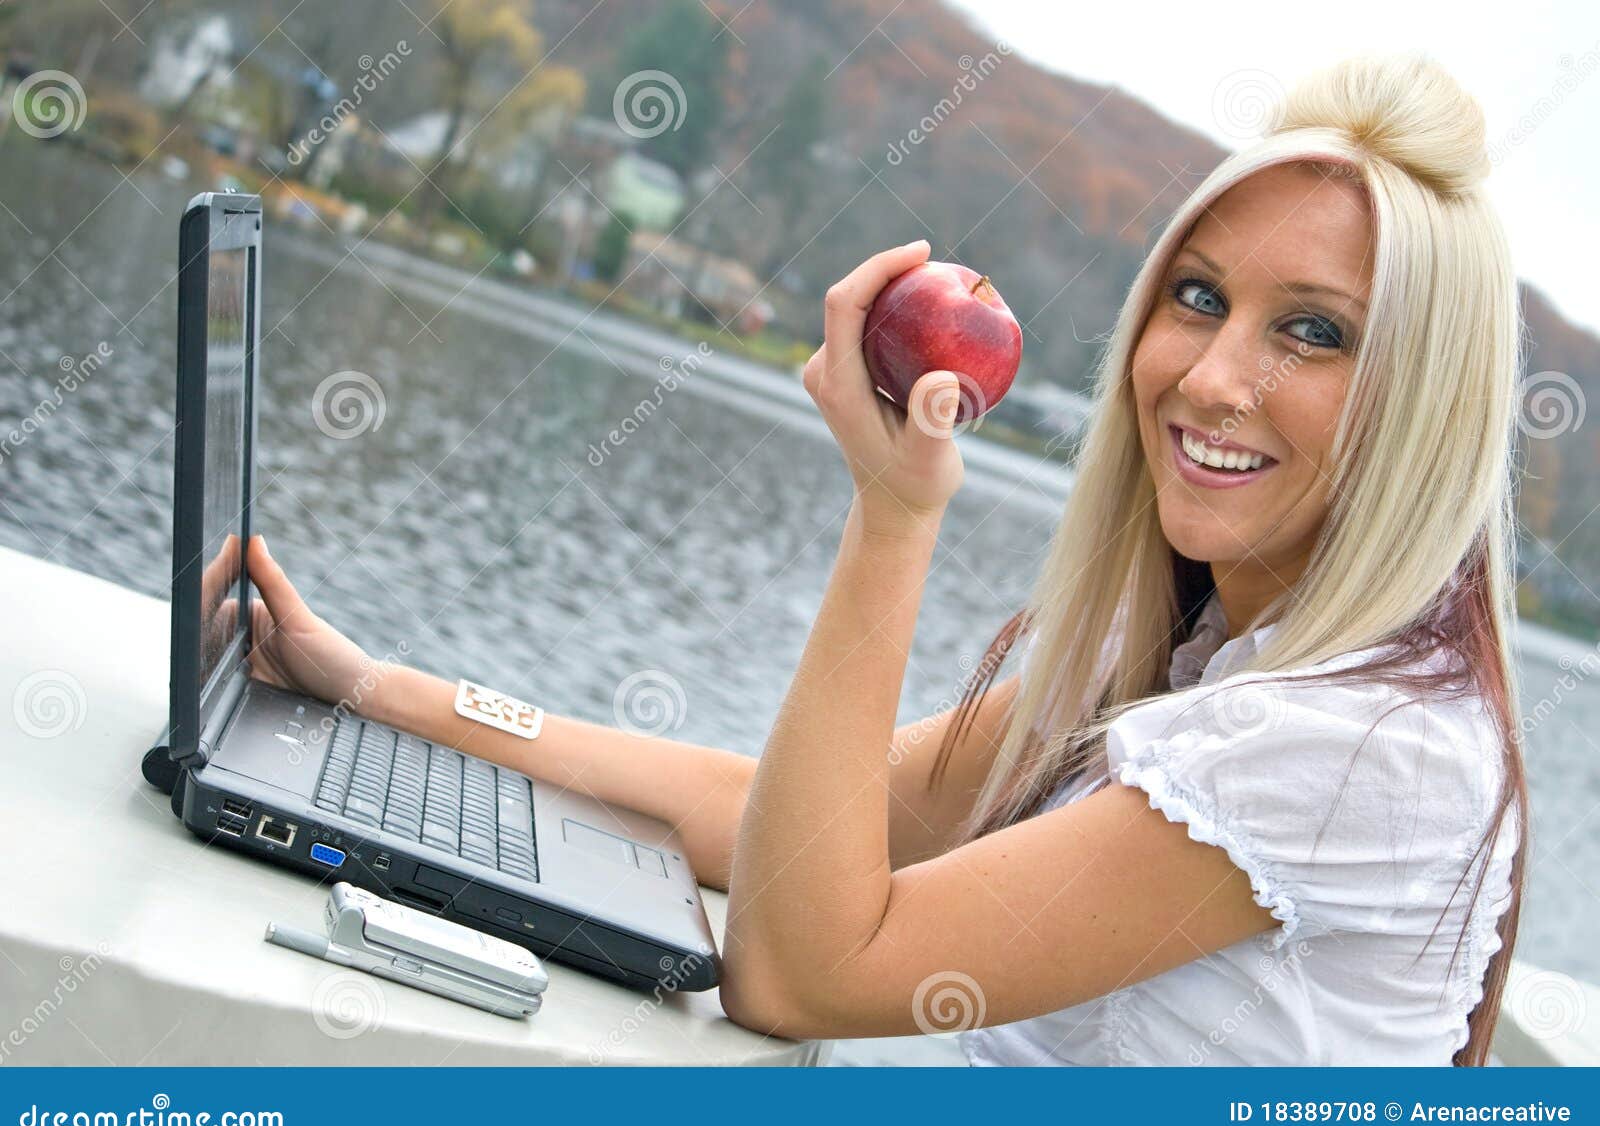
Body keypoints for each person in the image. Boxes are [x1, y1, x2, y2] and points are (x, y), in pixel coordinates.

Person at [244, 53, 1526, 1065]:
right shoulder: (1207, 667)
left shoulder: (1355, 749)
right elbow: (763, 818)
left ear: (1427, 402)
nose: (1210, 375)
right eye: (1196, 296)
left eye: (1311, 331)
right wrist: (376, 687)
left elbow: (798, 971)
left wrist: (894, 513)